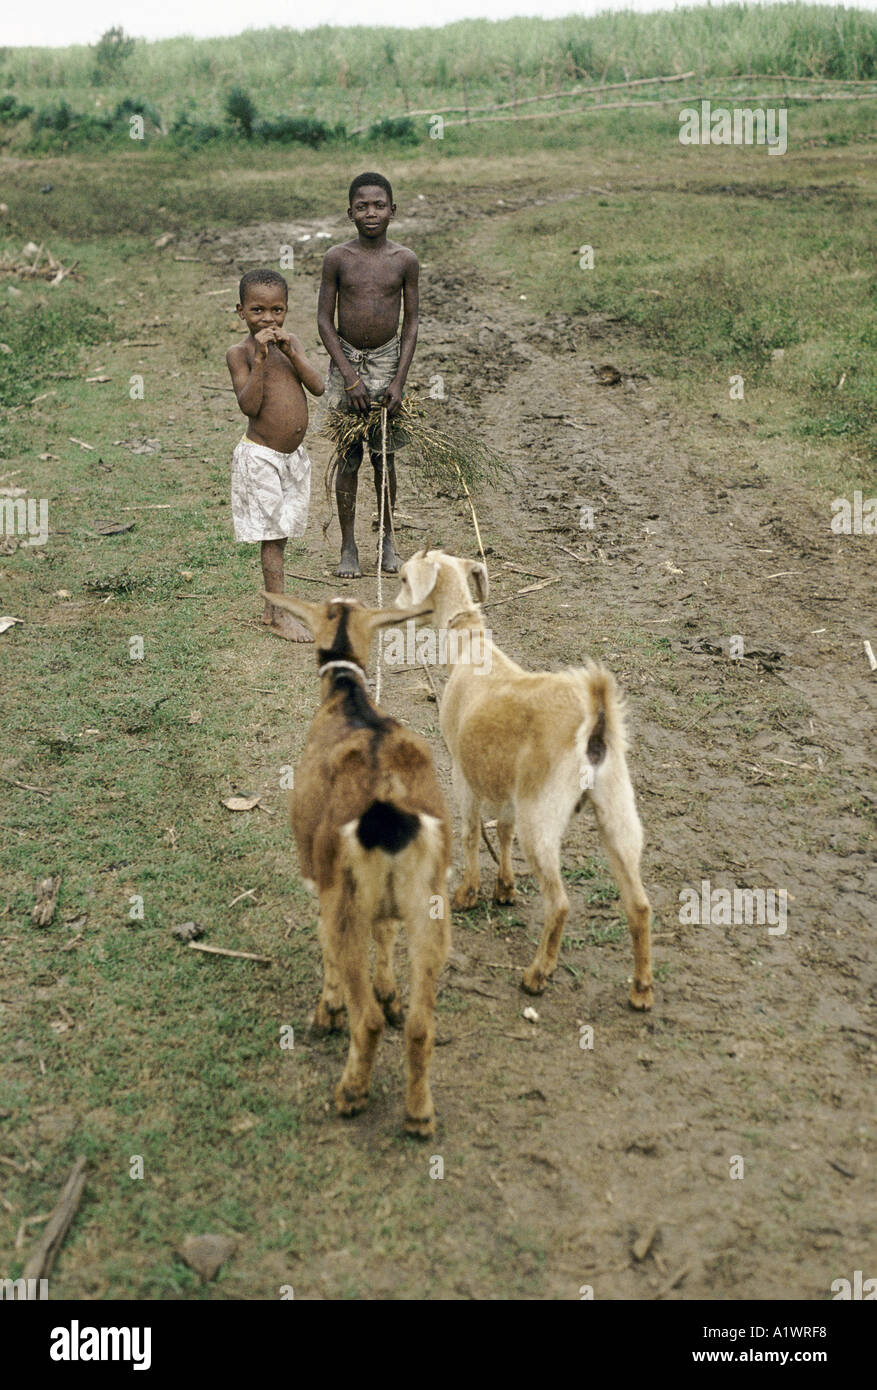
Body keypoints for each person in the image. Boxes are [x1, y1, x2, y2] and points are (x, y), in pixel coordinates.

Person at [317, 172, 419, 578]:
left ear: (393, 211)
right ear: (350, 213)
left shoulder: (405, 261)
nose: (371, 213)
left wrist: (397, 381)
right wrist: (349, 376)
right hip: (347, 361)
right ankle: (348, 546)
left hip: (387, 360)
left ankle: (388, 540)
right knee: (348, 456)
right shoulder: (337, 258)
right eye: (362, 206)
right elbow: (324, 321)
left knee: (384, 456)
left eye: (379, 205)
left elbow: (411, 324)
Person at [226, 268, 325, 641]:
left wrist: (291, 354)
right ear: (240, 311)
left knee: (281, 535)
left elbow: (317, 386)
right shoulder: (239, 354)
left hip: (292, 459)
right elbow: (249, 406)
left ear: (285, 310)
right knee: (272, 537)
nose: (268, 319)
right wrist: (262, 360)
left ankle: (271, 610)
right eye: (257, 311)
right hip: (261, 457)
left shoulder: (292, 342)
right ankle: (281, 615)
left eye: (276, 310)